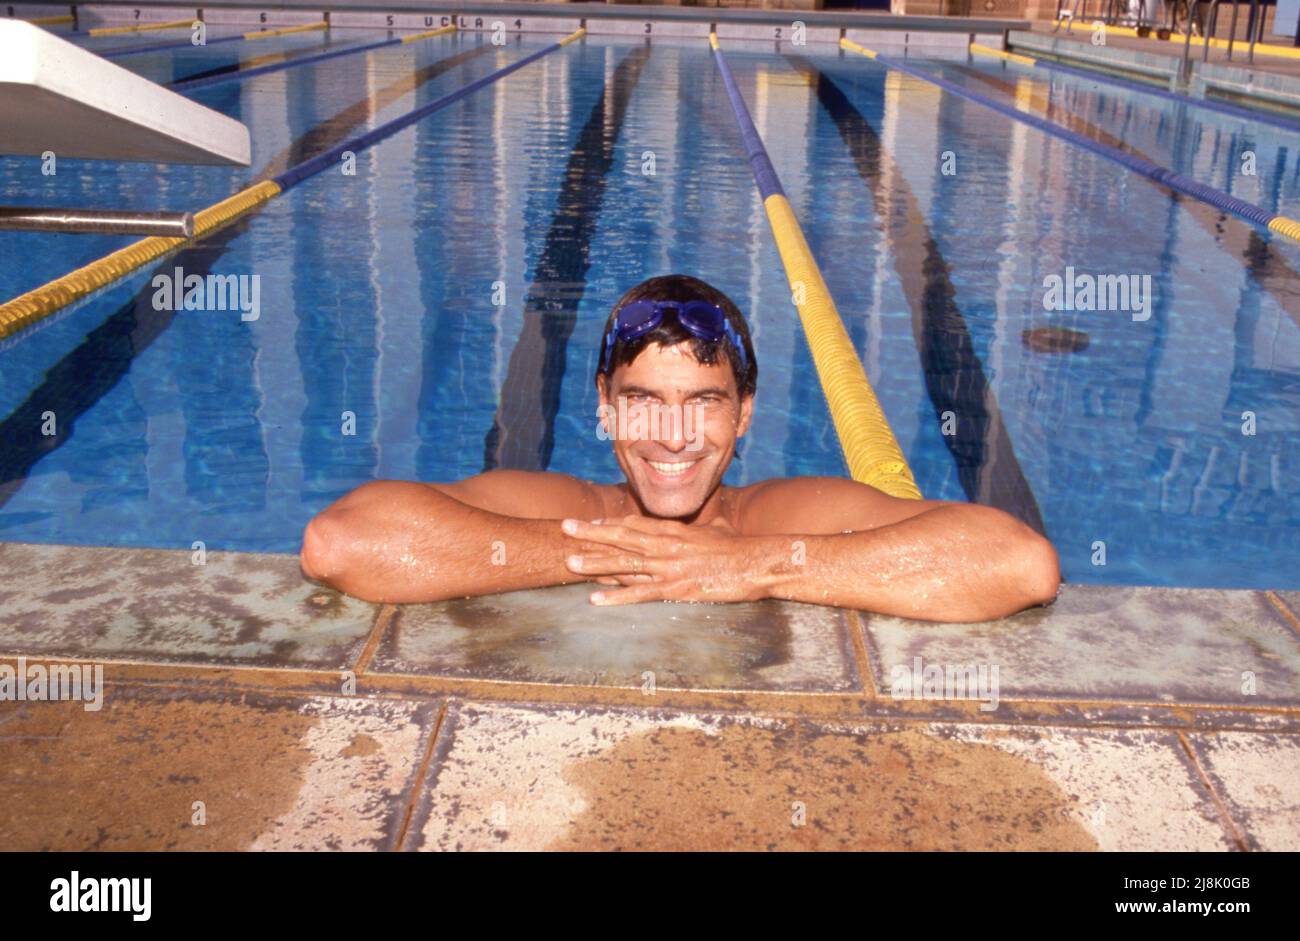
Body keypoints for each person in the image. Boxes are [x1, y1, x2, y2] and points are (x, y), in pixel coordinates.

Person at [301, 275, 1060, 622]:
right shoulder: (573, 511)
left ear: (744, 416)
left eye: (704, 403)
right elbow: (343, 541)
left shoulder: (774, 515)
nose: (673, 436)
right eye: (643, 402)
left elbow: (1017, 561)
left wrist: (748, 562)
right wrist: (621, 552)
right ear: (604, 406)